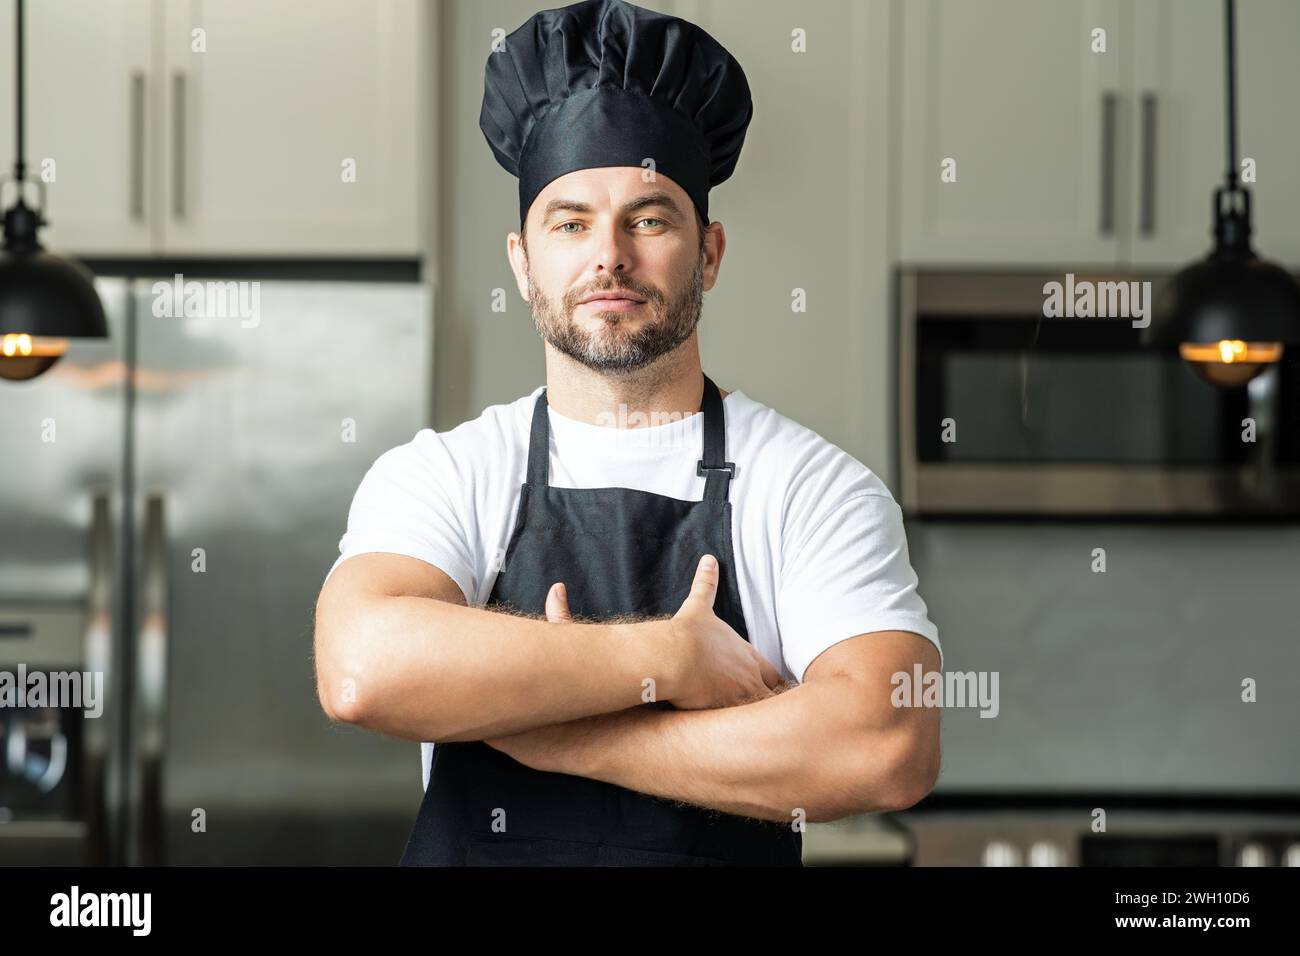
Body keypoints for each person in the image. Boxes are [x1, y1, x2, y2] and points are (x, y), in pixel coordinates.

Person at [313, 0, 942, 867]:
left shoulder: (808, 487)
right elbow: (359, 669)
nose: (608, 256)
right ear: (522, 261)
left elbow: (887, 743)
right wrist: (670, 658)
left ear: (710, 253)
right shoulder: (450, 474)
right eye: (570, 223)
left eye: (648, 219)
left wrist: (570, 740)